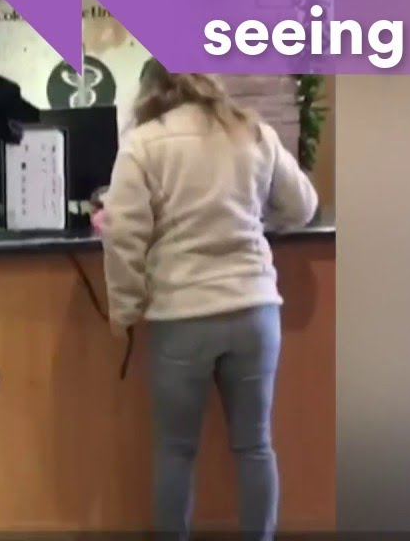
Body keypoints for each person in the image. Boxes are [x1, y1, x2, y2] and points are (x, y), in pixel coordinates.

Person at [100, 65, 318, 541]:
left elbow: (122, 235)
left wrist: (125, 308)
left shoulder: (143, 142)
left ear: (152, 86)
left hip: (182, 315)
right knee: (255, 446)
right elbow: (303, 206)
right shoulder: (250, 130)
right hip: (254, 310)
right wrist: (257, 221)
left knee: (176, 451)